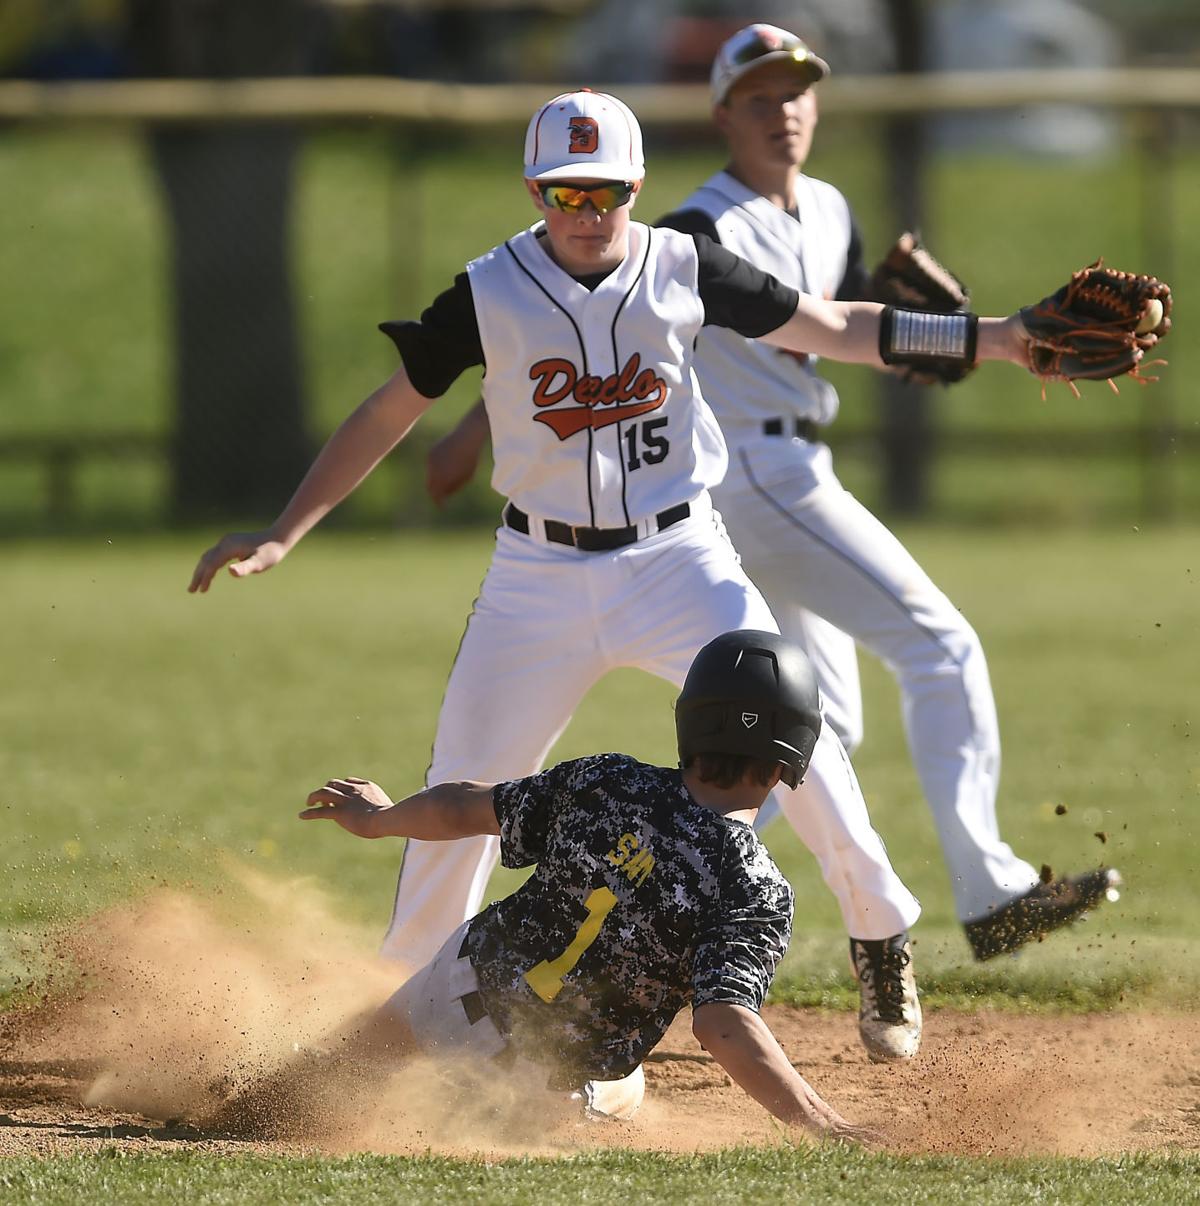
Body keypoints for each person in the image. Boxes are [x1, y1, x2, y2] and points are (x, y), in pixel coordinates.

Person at [188, 86, 1098, 1068]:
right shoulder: (489, 289)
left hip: (679, 561)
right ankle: (389, 1020)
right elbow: (388, 411)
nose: (585, 216)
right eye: (565, 195)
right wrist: (286, 530)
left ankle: (879, 932)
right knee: (460, 797)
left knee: (805, 746)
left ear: (636, 187)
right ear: (535, 190)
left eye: (605, 193)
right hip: (534, 576)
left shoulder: (682, 264)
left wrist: (997, 337)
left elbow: (831, 324)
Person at [424, 33, 1122, 962]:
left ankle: (654, 897)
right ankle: (987, 891)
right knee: (936, 645)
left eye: (796, 91)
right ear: (721, 115)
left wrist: (947, 340)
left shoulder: (830, 211)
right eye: (756, 96)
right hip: (745, 473)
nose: (781, 109)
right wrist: (472, 432)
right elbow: (580, 323)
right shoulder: (696, 228)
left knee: (813, 727)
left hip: (789, 467)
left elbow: (854, 322)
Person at [210, 630, 878, 1144]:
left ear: (691, 720)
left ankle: (248, 1098)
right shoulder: (752, 885)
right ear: (793, 751)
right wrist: (820, 1121)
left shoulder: (606, 780)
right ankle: (445, 1105)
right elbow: (723, 1022)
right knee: (626, 1089)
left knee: (320, 1080)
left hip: (451, 982)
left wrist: (381, 818)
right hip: (538, 1079)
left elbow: (462, 806)